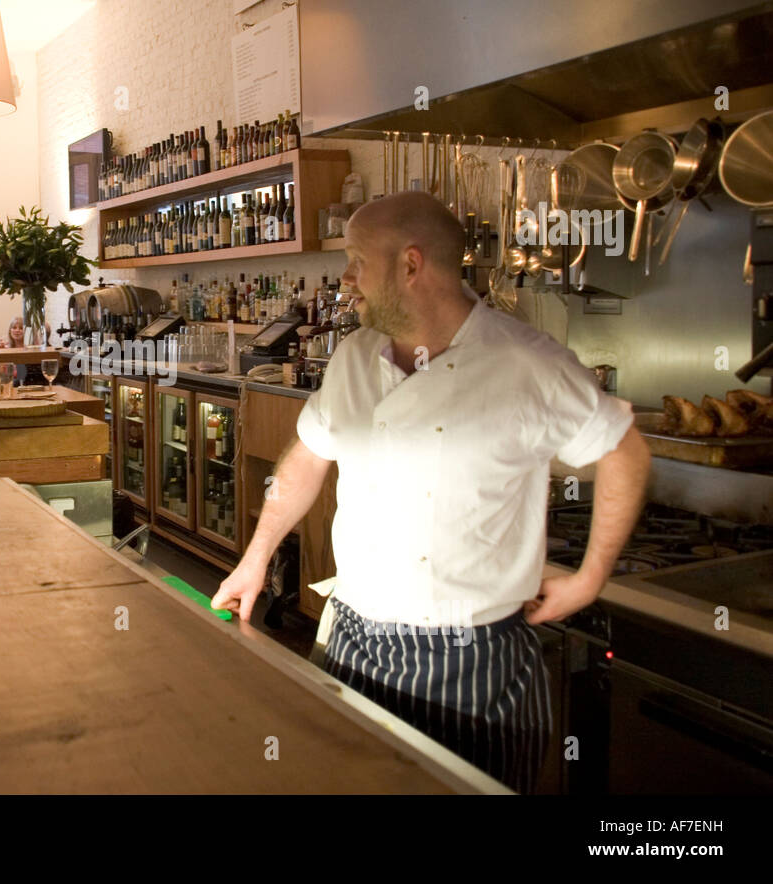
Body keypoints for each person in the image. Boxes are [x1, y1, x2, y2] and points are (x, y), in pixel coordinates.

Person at [210, 192, 651, 794]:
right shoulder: (356, 356)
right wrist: (255, 558)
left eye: (357, 261)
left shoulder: (523, 363)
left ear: (410, 266)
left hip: (470, 666)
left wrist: (590, 579)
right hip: (351, 642)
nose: (346, 279)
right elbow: (310, 455)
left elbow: (622, 448)